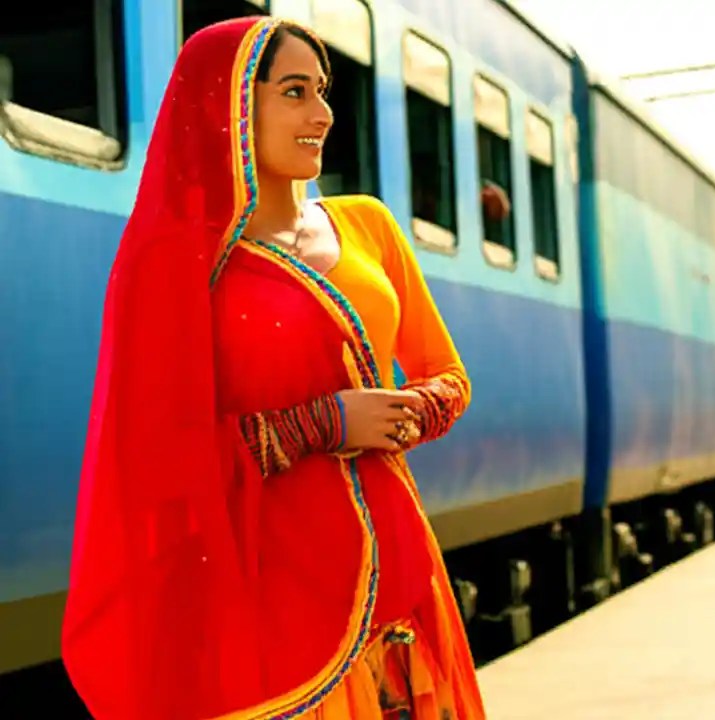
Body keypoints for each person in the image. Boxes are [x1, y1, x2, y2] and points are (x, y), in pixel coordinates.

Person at [61, 17, 485, 720]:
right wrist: (323, 422)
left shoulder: (368, 226)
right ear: (229, 104)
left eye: (322, 91)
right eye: (294, 91)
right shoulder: (177, 266)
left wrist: (407, 412)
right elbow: (153, 457)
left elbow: (448, 375)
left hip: (400, 580)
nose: (321, 114)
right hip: (271, 599)